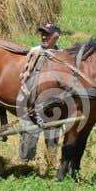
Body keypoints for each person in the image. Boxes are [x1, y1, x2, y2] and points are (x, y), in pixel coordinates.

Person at [18, 23, 63, 164]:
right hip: (32, 103)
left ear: (55, 37)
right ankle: (26, 166)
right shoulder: (34, 52)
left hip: (54, 105)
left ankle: (51, 162)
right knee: (29, 133)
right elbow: (24, 74)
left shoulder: (62, 56)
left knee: (53, 135)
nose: (43, 37)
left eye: (47, 34)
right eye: (42, 34)